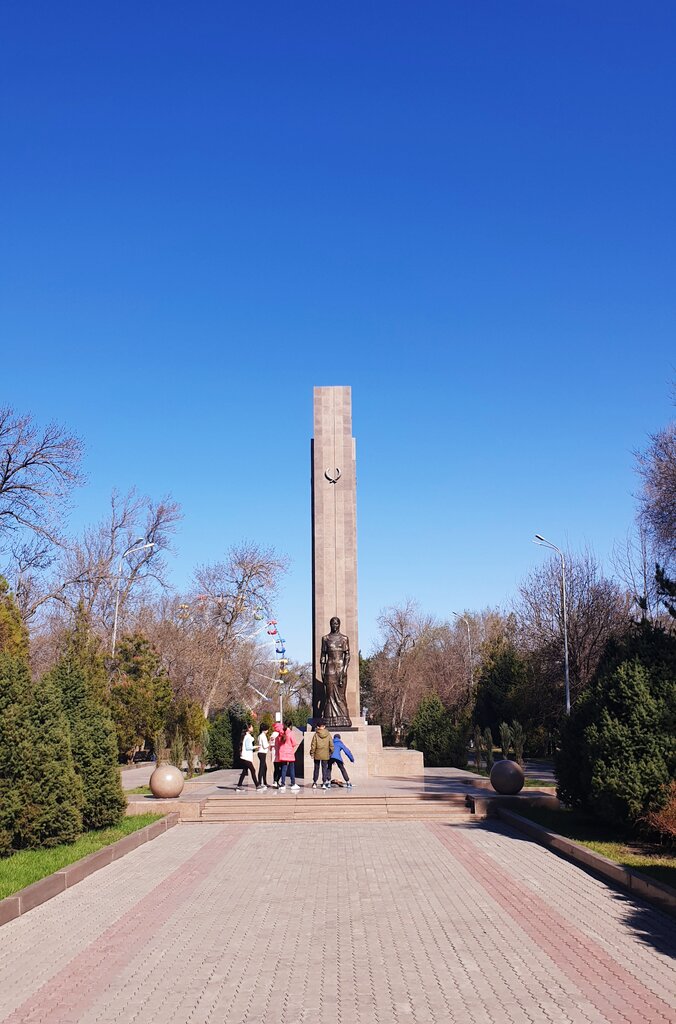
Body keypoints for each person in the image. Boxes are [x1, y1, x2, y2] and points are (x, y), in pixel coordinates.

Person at [310, 720, 334, 789]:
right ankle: (324, 783)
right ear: (324, 726)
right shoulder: (328, 734)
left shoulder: (316, 734)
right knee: (324, 769)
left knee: (316, 768)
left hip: (317, 754)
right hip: (325, 754)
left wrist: (312, 753)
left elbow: (313, 745)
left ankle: (315, 782)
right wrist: (331, 752)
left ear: (318, 726)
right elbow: (331, 744)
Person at [235, 724, 258, 792]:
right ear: (249, 728)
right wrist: (256, 747)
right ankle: (257, 785)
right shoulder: (248, 737)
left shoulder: (246, 736)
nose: (253, 728)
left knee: (244, 771)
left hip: (245, 757)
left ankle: (239, 785)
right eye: (251, 727)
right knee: (253, 770)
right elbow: (248, 747)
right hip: (246, 757)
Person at [278, 723, 300, 792]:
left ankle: (282, 784)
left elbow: (279, 743)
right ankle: (293, 783)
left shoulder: (281, 733)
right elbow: (294, 743)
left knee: (284, 768)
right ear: (290, 726)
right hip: (289, 753)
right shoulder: (290, 733)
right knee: (291, 768)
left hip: (283, 753)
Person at [256, 725, 269, 790]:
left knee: (265, 768)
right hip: (262, 753)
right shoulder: (262, 736)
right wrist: (270, 743)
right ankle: (260, 782)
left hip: (261, 753)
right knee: (262, 768)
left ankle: (264, 782)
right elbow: (265, 745)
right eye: (267, 729)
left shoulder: (260, 736)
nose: (267, 731)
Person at [271, 721, 284, 787]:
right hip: (279, 754)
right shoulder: (278, 734)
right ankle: (276, 781)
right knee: (280, 769)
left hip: (274, 754)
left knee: (276, 768)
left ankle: (275, 781)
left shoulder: (272, 734)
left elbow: (271, 744)